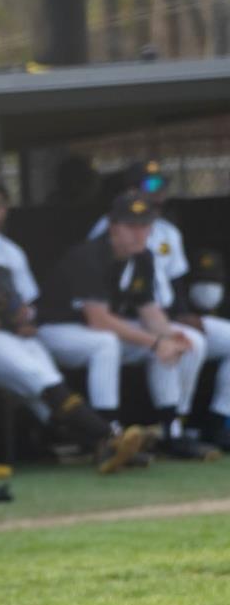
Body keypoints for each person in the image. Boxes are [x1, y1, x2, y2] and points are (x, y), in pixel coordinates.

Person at [0, 164, 133, 470]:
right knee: (39, 378)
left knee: (45, 384)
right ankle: (108, 435)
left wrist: (25, 318)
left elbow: (30, 304)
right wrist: (8, 324)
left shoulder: (10, 251)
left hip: (5, 332)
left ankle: (91, 444)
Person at [39, 189, 212, 460]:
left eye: (145, 226)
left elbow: (148, 310)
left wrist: (169, 336)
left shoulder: (144, 258)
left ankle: (171, 431)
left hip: (99, 328)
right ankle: (108, 436)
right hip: (56, 329)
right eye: (131, 225)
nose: (139, 233)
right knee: (106, 344)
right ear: (113, 226)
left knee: (184, 342)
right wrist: (156, 341)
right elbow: (98, 319)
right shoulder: (89, 255)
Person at [88, 162, 230, 451]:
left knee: (200, 337)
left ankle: (218, 422)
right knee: (187, 342)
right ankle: (174, 428)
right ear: (130, 190)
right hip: (124, 319)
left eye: (162, 186)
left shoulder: (167, 231)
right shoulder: (108, 231)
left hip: (162, 314)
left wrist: (186, 316)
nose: (159, 193)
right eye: (150, 186)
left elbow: (175, 284)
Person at [176, 249, 230, 450]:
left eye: (214, 281)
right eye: (202, 280)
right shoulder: (178, 297)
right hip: (167, 332)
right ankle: (175, 427)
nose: (208, 288)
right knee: (192, 343)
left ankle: (221, 423)